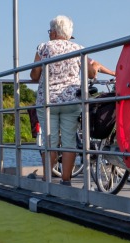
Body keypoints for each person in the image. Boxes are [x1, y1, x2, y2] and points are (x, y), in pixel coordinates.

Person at [30, 15, 114, 184]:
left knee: (50, 141)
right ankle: (66, 180)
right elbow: (91, 70)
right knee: (69, 142)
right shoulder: (78, 48)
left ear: (54, 32)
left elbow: (33, 76)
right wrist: (105, 71)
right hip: (71, 101)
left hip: (48, 101)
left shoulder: (43, 47)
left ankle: (48, 179)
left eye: (49, 31)